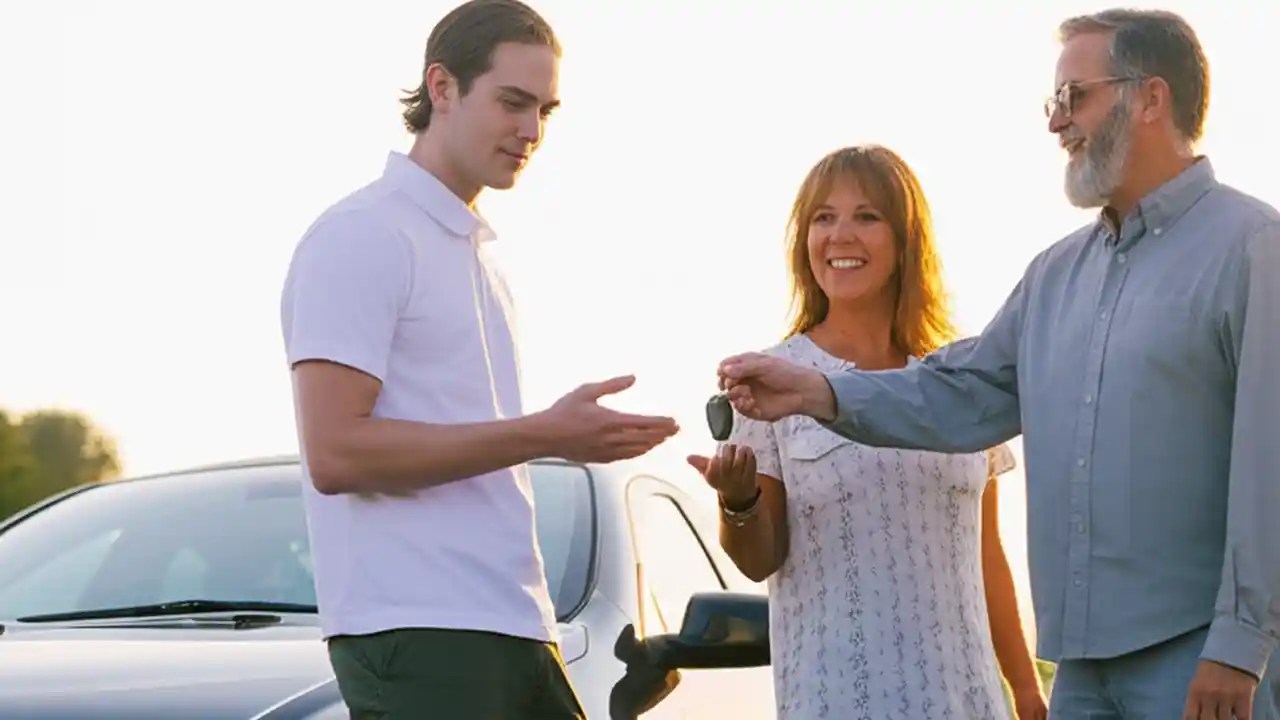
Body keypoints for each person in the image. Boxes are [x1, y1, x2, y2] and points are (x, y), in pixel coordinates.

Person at [715, 9, 1279, 720]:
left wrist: (1239, 643)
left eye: (1076, 97)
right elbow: (961, 394)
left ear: (1151, 99)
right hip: (1081, 675)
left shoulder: (1254, 248)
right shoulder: (1053, 276)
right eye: (1055, 102)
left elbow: (1273, 466)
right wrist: (819, 391)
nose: (1057, 123)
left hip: (1202, 666)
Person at [279, 1, 679, 717]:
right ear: (441, 87)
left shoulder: (476, 255)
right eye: (513, 102)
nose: (531, 131)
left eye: (546, 110)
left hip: (517, 623)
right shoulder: (362, 236)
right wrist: (549, 434)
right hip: (420, 628)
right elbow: (337, 453)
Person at [688, 145, 1047, 719]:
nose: (840, 235)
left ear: (906, 240)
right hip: (838, 701)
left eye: (867, 216)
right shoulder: (770, 379)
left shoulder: (958, 380)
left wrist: (1026, 691)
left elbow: (986, 554)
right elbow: (759, 560)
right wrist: (738, 501)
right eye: (823, 218)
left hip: (966, 701)